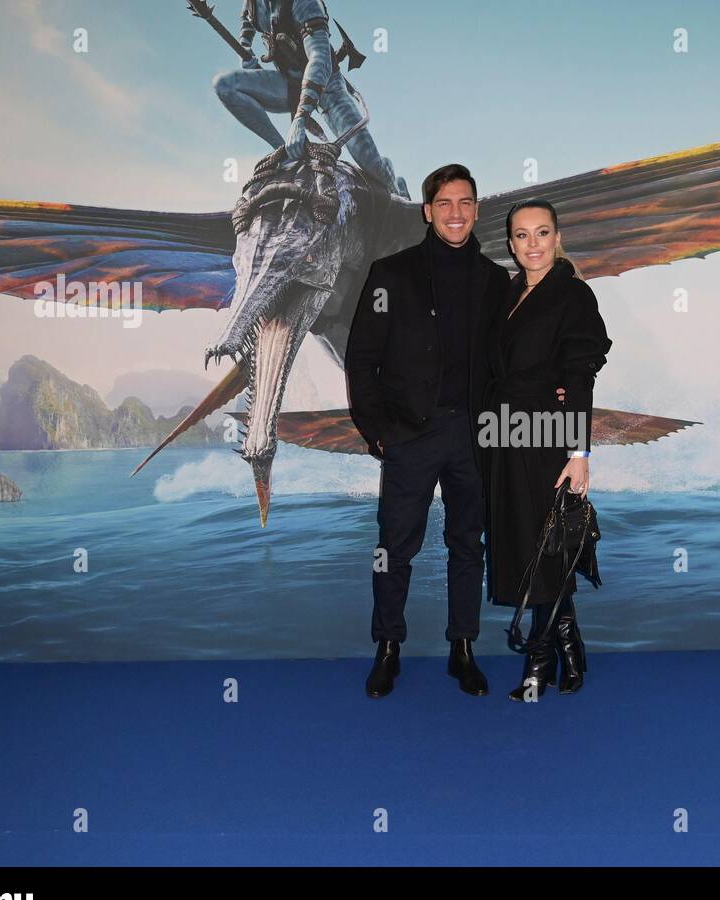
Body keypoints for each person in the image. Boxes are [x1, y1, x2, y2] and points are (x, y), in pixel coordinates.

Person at [345, 164, 512, 698]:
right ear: (427, 211)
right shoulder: (389, 274)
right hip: (409, 437)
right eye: (445, 203)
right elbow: (361, 359)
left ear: (477, 210)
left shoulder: (495, 281)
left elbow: (509, 364)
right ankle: (387, 647)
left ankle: (462, 648)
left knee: (468, 546)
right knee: (393, 548)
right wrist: (377, 433)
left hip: (474, 438)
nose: (456, 213)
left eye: (465, 202)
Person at [481, 199, 612, 701]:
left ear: (557, 237)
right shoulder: (509, 292)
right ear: (511, 244)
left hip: (546, 437)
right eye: (521, 235)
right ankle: (570, 646)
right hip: (502, 435)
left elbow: (579, 377)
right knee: (528, 545)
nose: (532, 244)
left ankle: (537, 664)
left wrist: (580, 453)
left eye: (541, 233)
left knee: (542, 548)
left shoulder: (573, 295)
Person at [213, 0, 409, 198]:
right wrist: (245, 48)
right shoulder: (253, 3)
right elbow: (247, 21)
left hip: (328, 86)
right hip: (290, 83)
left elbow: (319, 58)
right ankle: (286, 156)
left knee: (370, 163)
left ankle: (396, 185)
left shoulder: (305, 3)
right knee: (225, 85)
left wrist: (300, 118)